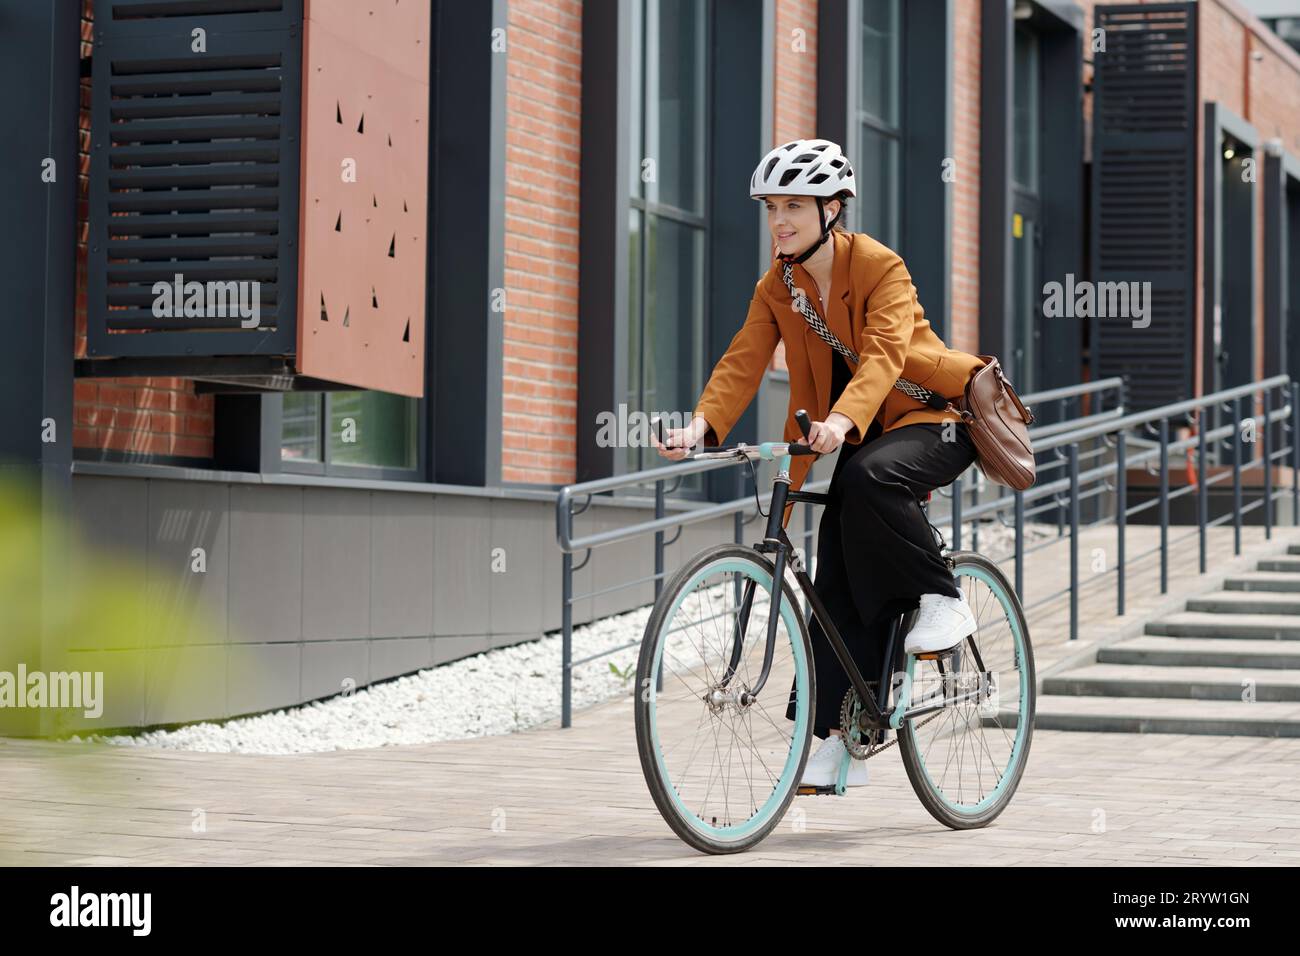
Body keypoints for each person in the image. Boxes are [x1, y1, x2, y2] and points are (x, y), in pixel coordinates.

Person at [652, 138, 987, 788]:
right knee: (834, 574)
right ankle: (836, 733)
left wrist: (840, 419)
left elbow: (887, 354)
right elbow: (743, 359)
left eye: (794, 207)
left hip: (936, 420)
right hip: (856, 433)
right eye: (772, 207)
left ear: (832, 208)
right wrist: (701, 424)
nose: (779, 220)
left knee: (867, 478)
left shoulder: (879, 266)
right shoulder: (777, 287)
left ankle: (945, 598)